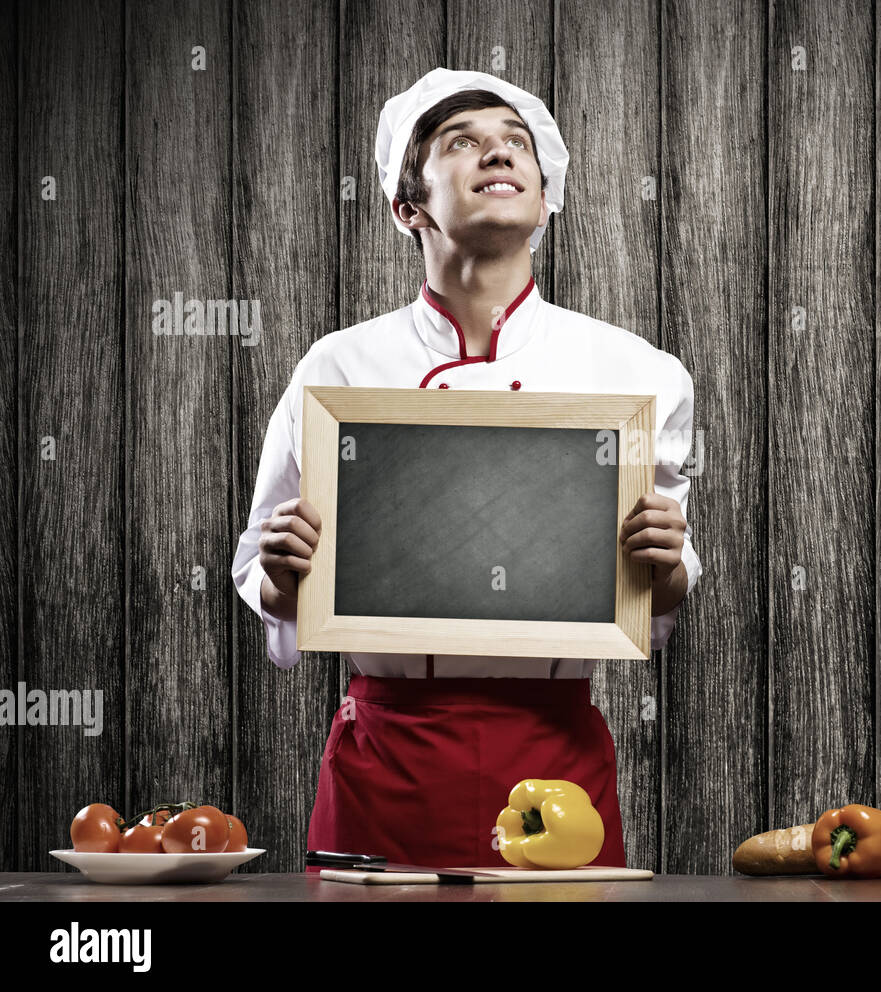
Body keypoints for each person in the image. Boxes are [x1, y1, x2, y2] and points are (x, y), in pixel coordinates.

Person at [229, 68, 701, 870]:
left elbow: (655, 599)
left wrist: (670, 560)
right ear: (406, 206)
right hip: (388, 757)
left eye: (516, 142)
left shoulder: (638, 373)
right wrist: (281, 567)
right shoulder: (338, 368)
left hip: (558, 760)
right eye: (462, 142)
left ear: (546, 201)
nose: (498, 153)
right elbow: (260, 572)